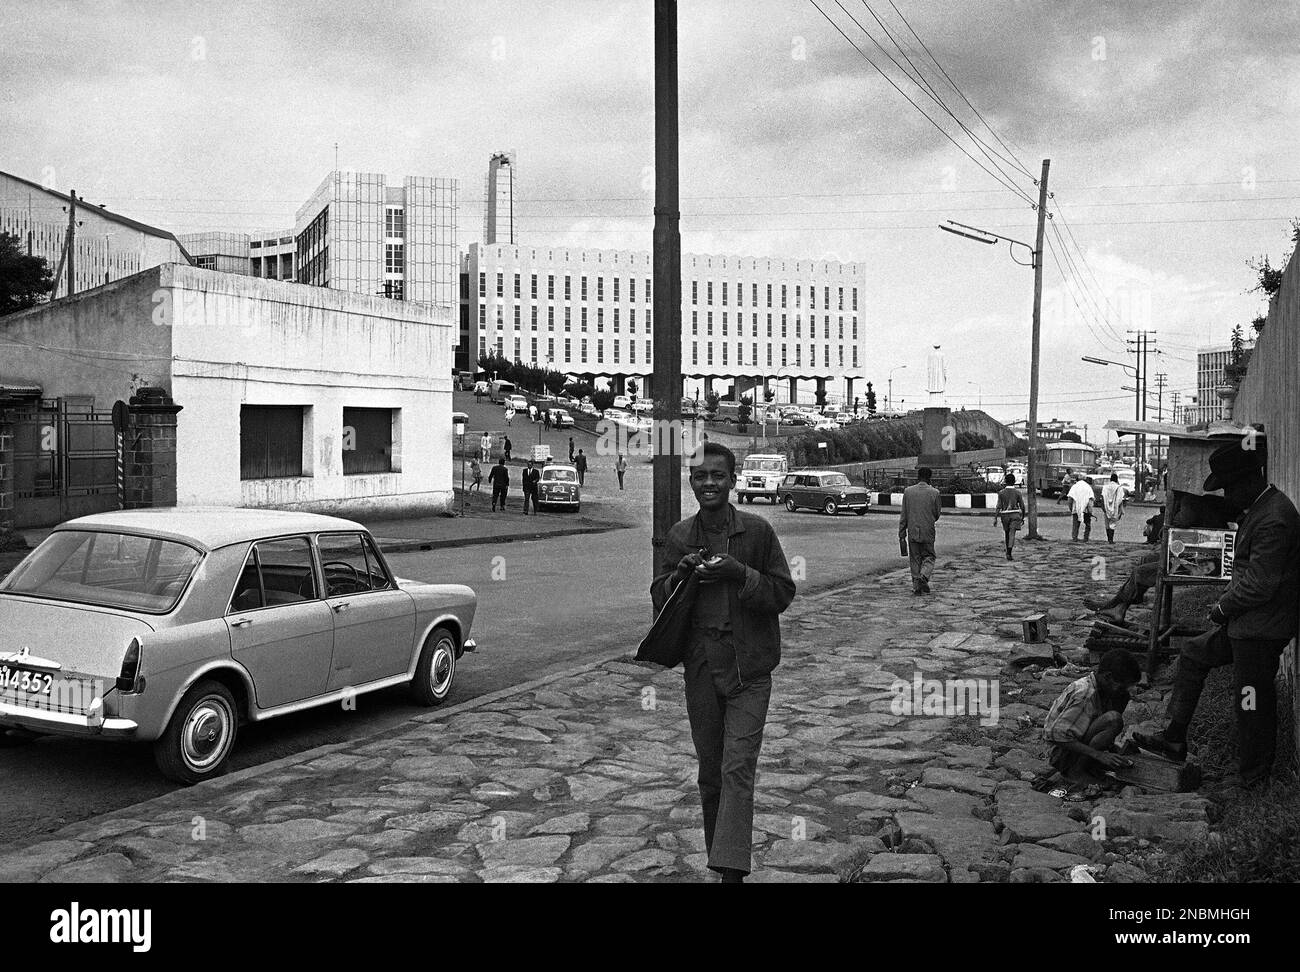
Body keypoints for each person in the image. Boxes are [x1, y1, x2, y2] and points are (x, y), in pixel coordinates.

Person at [651, 441, 796, 882]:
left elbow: (782, 592)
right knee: (710, 774)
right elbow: (660, 599)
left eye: (718, 475)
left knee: (737, 768)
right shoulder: (679, 537)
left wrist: (740, 574)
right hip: (701, 669)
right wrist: (680, 575)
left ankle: (731, 874)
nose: (709, 483)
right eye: (700, 476)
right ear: (692, 483)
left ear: (733, 481)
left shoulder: (757, 533)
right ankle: (721, 858)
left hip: (749, 671)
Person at [1135, 440, 1300, 788]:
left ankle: (1254, 780)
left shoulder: (1274, 518)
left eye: (1229, 488)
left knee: (1251, 702)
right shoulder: (1263, 509)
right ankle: (1174, 738)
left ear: (1247, 482)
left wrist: (1222, 607)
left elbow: (1260, 584)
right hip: (1248, 623)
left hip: (1261, 631)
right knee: (1194, 653)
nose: (1227, 495)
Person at [1043, 648, 1140, 785]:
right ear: (1107, 677)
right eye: (1121, 686)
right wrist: (1098, 755)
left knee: (1120, 702)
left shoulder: (1112, 693)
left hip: (1079, 741)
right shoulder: (1085, 693)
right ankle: (1075, 772)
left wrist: (1113, 751)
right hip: (1060, 753)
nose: (1124, 691)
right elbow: (1057, 735)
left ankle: (1089, 765)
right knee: (1113, 719)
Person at [899, 466, 942, 595]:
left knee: (915, 558)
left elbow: (904, 515)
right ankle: (923, 576)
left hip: (912, 530)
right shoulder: (935, 493)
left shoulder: (908, 492)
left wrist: (901, 533)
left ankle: (916, 586)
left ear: (918, 477)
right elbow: (937, 513)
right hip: (928, 531)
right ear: (929, 478)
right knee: (929, 556)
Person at [994, 472, 1027, 560]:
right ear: (1014, 481)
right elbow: (1023, 506)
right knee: (1012, 533)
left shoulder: (1001, 493)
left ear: (1005, 481)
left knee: (1007, 533)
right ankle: (1009, 552)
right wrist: (1022, 517)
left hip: (1004, 516)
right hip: (1015, 515)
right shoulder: (1017, 493)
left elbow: (998, 506)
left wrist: (995, 518)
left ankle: (1007, 550)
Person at [1066, 473, 1095, 542]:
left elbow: (1070, 499)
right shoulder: (1088, 487)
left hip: (1076, 508)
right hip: (1086, 509)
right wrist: (1090, 511)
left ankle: (1074, 538)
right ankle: (1086, 538)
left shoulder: (1074, 487)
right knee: (1087, 524)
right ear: (1085, 479)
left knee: (1075, 524)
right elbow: (1090, 500)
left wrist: (1071, 508)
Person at [1101, 473, 1127, 544]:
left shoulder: (1105, 487)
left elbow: (1102, 497)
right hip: (1115, 508)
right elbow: (1121, 499)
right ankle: (1111, 540)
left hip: (1106, 508)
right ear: (1117, 479)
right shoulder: (1119, 488)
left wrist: (1103, 507)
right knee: (1112, 524)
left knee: (1107, 524)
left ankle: (1109, 539)